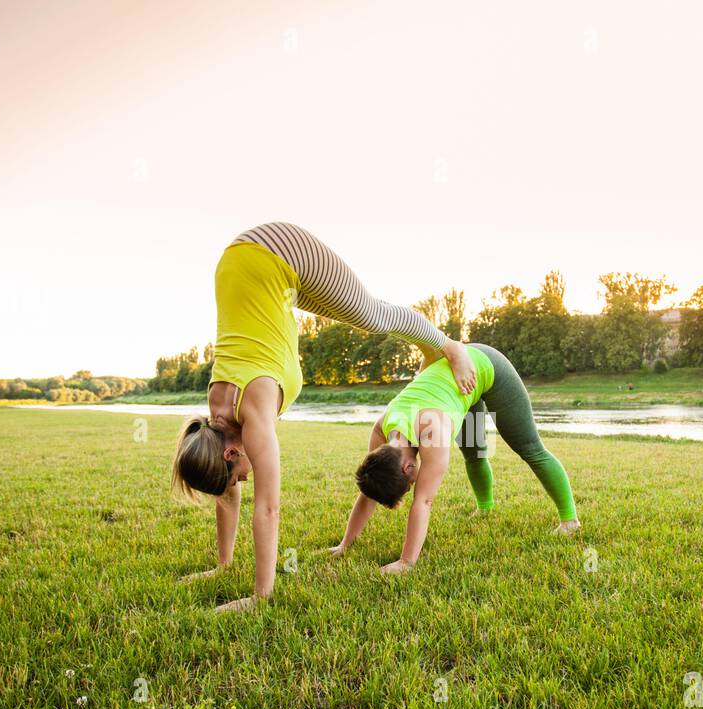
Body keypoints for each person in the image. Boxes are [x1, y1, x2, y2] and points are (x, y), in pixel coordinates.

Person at [171, 222, 477, 611]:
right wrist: (223, 564)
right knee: (356, 313)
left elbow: (267, 508)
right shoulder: (217, 413)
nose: (243, 482)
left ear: (231, 453)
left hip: (280, 251)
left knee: (369, 314)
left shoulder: (253, 411)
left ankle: (450, 345)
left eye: (239, 477)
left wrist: (259, 597)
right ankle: (225, 563)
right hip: (240, 263)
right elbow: (227, 492)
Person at [331, 342, 579, 573]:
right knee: (474, 455)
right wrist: (344, 544)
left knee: (530, 448)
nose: (413, 486)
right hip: (461, 390)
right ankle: (485, 509)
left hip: (486, 368)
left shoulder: (431, 431)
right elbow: (368, 492)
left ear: (407, 467)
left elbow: (424, 502)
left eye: (409, 485)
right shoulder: (381, 429)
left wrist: (406, 562)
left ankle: (570, 521)